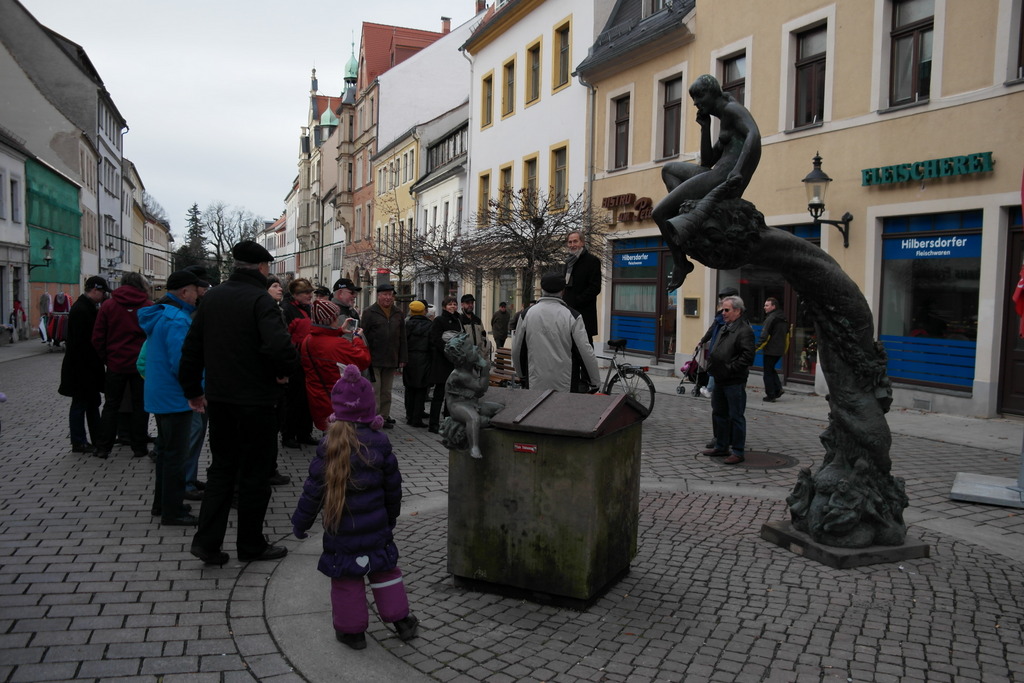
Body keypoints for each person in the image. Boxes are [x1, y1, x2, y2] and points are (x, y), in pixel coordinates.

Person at [178, 240, 299, 566]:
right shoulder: (260, 300)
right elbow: (279, 346)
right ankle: (251, 544)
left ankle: (207, 543)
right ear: (261, 268)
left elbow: (191, 348)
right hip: (256, 402)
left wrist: (193, 390)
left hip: (220, 400)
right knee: (255, 475)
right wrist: (284, 373)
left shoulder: (212, 297)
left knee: (221, 471)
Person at [291, 364, 420, 651]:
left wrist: (300, 524)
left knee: (346, 579)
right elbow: (393, 488)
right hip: (376, 528)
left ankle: (353, 633)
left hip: (341, 532)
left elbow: (312, 492)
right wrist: (390, 517)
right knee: (385, 572)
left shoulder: (328, 445)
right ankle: (402, 621)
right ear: (368, 408)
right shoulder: (380, 443)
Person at [653, 74, 761, 292]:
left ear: (711, 94)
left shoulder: (732, 109)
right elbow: (708, 160)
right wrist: (705, 127)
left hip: (724, 177)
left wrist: (739, 171)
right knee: (669, 170)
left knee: (659, 213)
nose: (695, 103)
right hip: (717, 172)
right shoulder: (723, 118)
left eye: (698, 98)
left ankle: (681, 263)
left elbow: (754, 136)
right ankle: (686, 212)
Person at [137, 270, 201, 526]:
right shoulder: (177, 319)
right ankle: (173, 511)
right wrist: (197, 392)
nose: (198, 296)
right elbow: (183, 363)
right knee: (176, 455)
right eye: (196, 291)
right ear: (185, 292)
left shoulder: (162, 313)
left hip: (160, 394)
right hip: (175, 397)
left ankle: (162, 503)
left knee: (165, 452)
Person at [91, 272, 152, 460]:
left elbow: (98, 336)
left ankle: (103, 448)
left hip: (115, 363)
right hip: (139, 366)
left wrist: (107, 358)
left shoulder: (108, 305)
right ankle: (139, 447)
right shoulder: (148, 306)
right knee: (140, 406)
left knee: (111, 406)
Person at [512, 273, 600, 393]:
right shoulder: (573, 316)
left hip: (534, 382)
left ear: (542, 289)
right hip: (565, 385)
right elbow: (585, 351)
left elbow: (517, 349)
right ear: (563, 291)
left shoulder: (526, 314)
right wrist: (594, 382)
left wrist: (521, 375)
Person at [300, 299, 371, 431]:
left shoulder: (307, 340)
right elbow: (363, 360)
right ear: (332, 318)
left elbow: (323, 337)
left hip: (317, 397)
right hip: (339, 401)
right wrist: (357, 339)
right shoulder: (338, 344)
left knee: (327, 435)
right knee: (340, 442)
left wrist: (339, 331)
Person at [58, 275, 109, 453]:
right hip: (81, 368)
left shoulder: (86, 307)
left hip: (86, 367)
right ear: (94, 290)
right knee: (80, 404)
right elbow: (82, 343)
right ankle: (79, 441)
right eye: (102, 292)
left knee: (91, 403)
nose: (103, 296)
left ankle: (96, 438)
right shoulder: (82, 310)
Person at [702, 295, 755, 465]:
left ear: (737, 311)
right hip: (719, 378)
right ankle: (721, 446)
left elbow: (747, 357)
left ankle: (738, 451)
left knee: (736, 416)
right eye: (722, 310)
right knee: (719, 413)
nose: (723, 313)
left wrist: (729, 369)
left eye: (727, 310)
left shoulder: (744, 330)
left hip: (734, 381)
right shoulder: (725, 327)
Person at [182, 270, 211, 501]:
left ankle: (189, 478)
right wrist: (196, 391)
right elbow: (184, 359)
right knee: (190, 437)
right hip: (191, 390)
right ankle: (184, 483)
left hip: (195, 386)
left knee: (196, 435)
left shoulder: (191, 314)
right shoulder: (182, 318)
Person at [361, 283, 406, 429]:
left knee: (387, 391)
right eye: (384, 295)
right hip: (374, 359)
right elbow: (363, 336)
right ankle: (373, 417)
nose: (388, 298)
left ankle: (384, 417)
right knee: (375, 390)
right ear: (378, 296)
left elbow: (403, 338)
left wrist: (403, 358)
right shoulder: (369, 312)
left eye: (390, 295)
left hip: (391, 358)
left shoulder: (398, 313)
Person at [281, 278, 317, 449]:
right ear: (295, 295)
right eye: (306, 293)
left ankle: (304, 433)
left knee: (306, 399)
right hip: (294, 361)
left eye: (310, 292)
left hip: (308, 361)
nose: (310, 295)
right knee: (293, 400)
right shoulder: (287, 310)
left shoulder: (308, 309)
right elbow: (284, 337)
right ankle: (288, 435)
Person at [427, 296, 462, 434]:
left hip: (454, 362)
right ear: (444, 307)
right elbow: (435, 339)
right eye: (450, 304)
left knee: (451, 394)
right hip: (442, 361)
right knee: (439, 394)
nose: (453, 306)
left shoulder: (458, 320)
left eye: (454, 304)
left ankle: (448, 421)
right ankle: (433, 423)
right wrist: (447, 350)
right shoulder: (439, 320)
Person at [697, 287, 739, 400]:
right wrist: (703, 340)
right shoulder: (722, 314)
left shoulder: (729, 316)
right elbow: (712, 329)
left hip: (722, 347)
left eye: (723, 298)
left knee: (717, 367)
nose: (721, 301)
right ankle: (713, 389)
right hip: (718, 345)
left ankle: (710, 389)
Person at [562, 230, 602, 341]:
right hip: (568, 312)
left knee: (585, 349)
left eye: (575, 241)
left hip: (584, 314)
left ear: (582, 243)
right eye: (570, 242)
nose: (572, 245)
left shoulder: (592, 261)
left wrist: (577, 301)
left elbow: (595, 288)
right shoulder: (568, 262)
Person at [403, 300, 433, 427]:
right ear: (424, 311)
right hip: (424, 358)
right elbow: (432, 344)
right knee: (421, 389)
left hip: (409, 358)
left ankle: (409, 416)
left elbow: (402, 343)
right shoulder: (430, 325)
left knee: (409, 388)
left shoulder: (406, 325)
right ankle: (417, 417)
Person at [758, 297, 788, 402]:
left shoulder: (771, 318)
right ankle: (778, 389)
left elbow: (764, 335)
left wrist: (756, 347)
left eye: (767, 305)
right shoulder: (783, 318)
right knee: (771, 369)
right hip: (779, 348)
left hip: (771, 349)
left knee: (768, 373)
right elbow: (787, 335)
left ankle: (771, 395)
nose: (764, 307)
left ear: (773, 306)